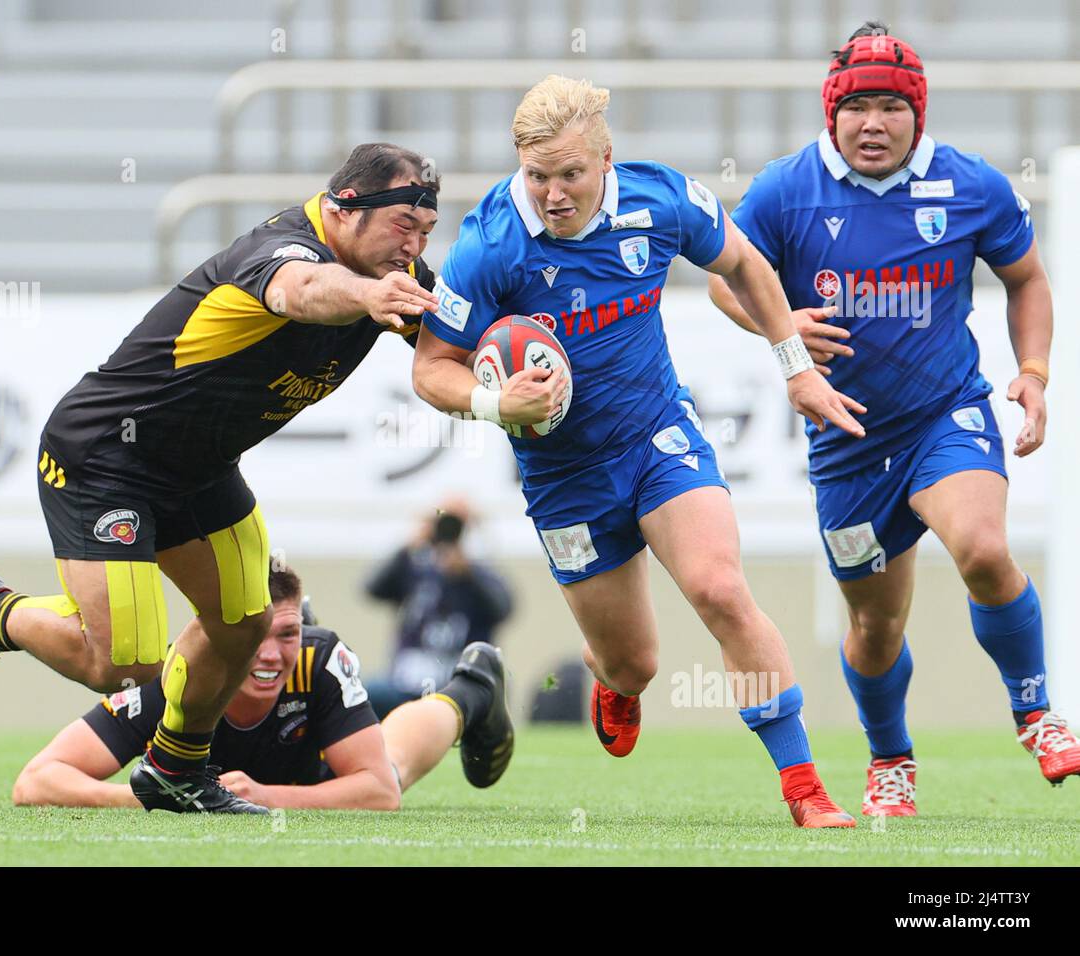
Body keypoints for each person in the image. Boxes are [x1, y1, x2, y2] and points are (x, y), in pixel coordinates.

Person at [412, 74, 866, 828]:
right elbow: (431, 368)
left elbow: (747, 266)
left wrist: (796, 369)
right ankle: (614, 681)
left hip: (658, 435)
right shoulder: (490, 245)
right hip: (563, 477)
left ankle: (804, 788)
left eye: (570, 174)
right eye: (537, 176)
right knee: (636, 662)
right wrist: (495, 403)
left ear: (606, 160)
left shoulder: (662, 201)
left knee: (721, 590)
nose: (553, 194)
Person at [0, 143, 442, 814]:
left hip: (199, 467)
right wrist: (371, 293)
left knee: (243, 622)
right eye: (406, 222)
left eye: (427, 231)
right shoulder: (286, 252)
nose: (414, 245)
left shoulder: (391, 272)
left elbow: (452, 353)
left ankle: (175, 768)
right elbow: (304, 290)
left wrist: (510, 393)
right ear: (346, 208)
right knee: (124, 665)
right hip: (106, 454)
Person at [708, 23, 1078, 816]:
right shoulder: (784, 188)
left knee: (982, 547)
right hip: (845, 440)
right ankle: (890, 759)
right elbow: (725, 281)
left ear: (918, 112)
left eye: (891, 106)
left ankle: (1037, 712)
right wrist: (781, 329)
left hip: (946, 412)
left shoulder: (971, 185)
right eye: (857, 107)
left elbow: (1029, 280)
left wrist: (1035, 373)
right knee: (876, 628)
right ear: (831, 112)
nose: (873, 123)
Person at [11, 564, 514, 810]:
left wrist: (262, 796)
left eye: (288, 633)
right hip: (240, 776)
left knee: (393, 765)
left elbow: (379, 793)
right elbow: (34, 781)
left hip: (312, 778)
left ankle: (471, 690)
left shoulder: (315, 661)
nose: (273, 655)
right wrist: (156, 797)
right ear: (218, 636)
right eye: (256, 637)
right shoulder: (174, 678)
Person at [363, 497, 513, 718]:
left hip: (458, 684)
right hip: (405, 682)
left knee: (489, 698)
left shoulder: (480, 575)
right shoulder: (414, 569)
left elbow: (504, 608)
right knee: (366, 694)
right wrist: (410, 545)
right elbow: (372, 589)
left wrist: (469, 571)